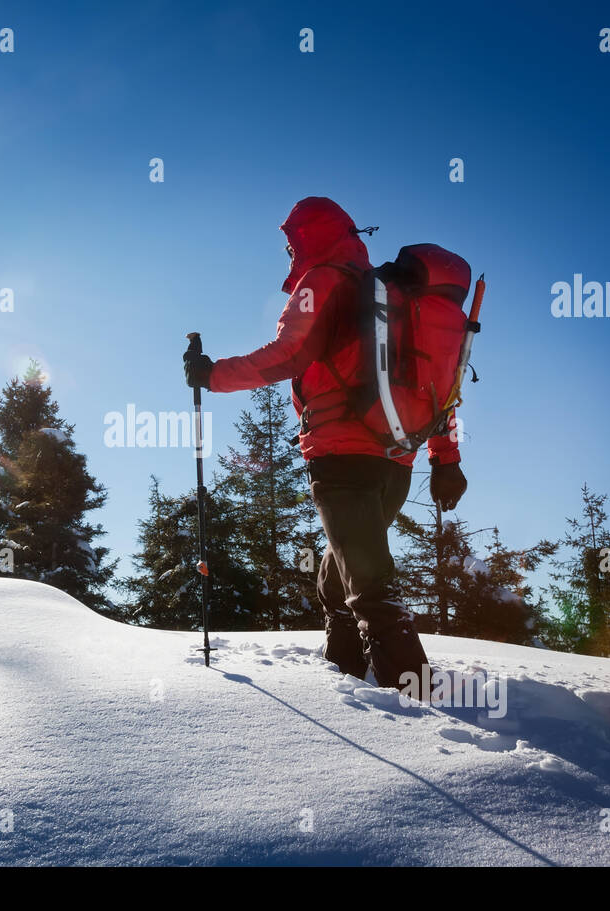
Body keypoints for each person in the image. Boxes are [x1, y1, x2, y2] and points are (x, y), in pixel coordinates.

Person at [183, 197, 468, 700]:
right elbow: (437, 387)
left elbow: (290, 354)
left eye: (291, 242)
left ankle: (422, 706)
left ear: (306, 237)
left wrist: (212, 375)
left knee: (371, 588)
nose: (289, 252)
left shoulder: (325, 279)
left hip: (342, 455)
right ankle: (346, 681)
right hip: (395, 461)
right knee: (340, 581)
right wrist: (445, 459)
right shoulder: (393, 296)